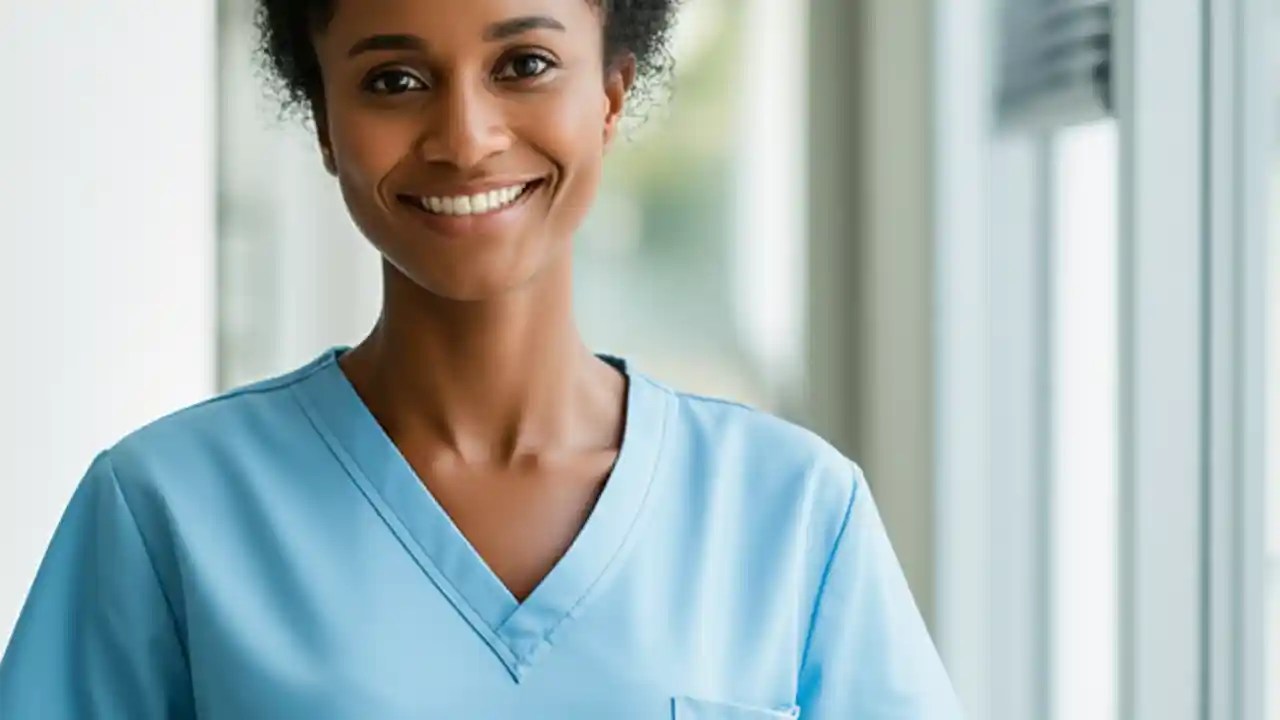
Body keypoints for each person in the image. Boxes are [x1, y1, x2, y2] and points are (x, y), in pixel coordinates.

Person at [0, 0, 964, 717]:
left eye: (527, 63)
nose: (466, 139)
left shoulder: (791, 515)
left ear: (611, 97)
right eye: (393, 80)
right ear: (325, 122)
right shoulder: (164, 511)